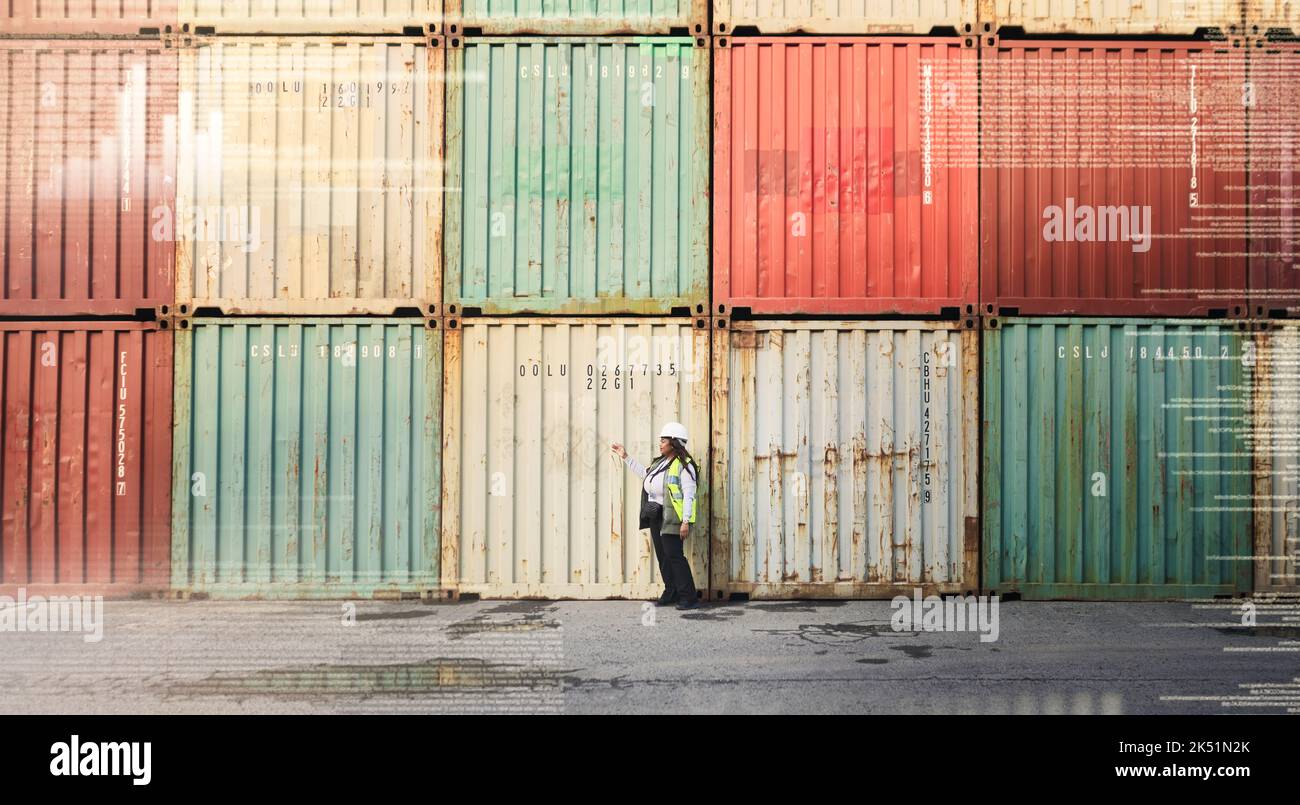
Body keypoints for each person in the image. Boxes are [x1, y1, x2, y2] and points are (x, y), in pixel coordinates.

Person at [611, 422, 701, 611]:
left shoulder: (685, 466)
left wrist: (686, 522)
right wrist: (626, 457)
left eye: (663, 440)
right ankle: (672, 591)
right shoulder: (660, 462)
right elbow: (646, 474)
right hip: (656, 515)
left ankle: (689, 596)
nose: (660, 444)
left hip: (672, 518)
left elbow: (689, 496)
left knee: (675, 556)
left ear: (674, 443)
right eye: (660, 440)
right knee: (663, 556)